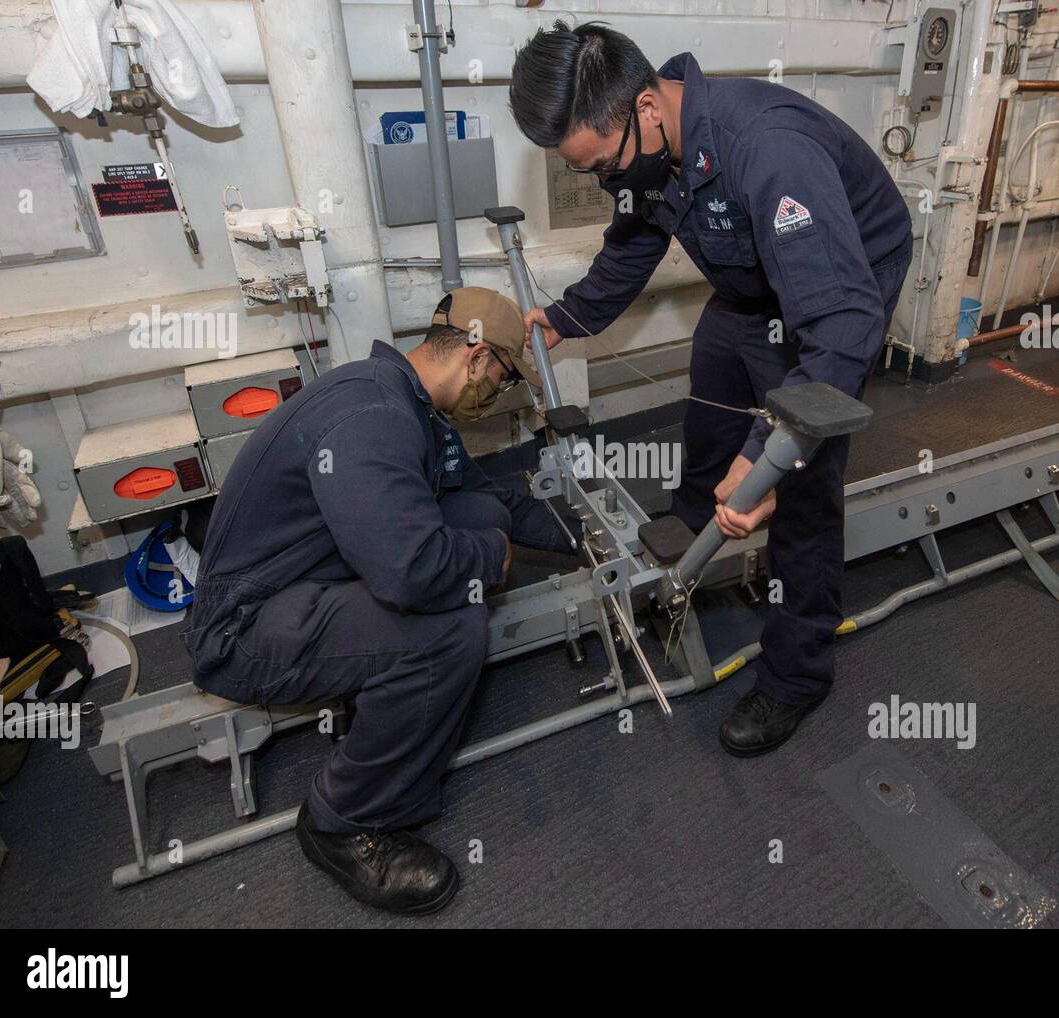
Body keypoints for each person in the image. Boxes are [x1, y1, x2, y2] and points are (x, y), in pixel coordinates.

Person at [509, 22, 914, 757]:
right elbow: (634, 236)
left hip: (836, 288)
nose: (604, 183)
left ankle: (798, 674)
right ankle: (692, 532)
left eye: (602, 166)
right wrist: (570, 316)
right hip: (750, 288)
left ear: (647, 109)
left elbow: (838, 320)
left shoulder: (765, 147)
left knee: (798, 480)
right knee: (713, 392)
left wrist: (769, 454)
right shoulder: (650, 147)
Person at [182, 288, 576, 914]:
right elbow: (411, 572)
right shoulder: (375, 419)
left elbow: (488, 499)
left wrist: (586, 532)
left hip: (305, 580)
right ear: (475, 358)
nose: (498, 396)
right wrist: (489, 557)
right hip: (244, 628)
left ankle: (370, 695)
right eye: (501, 380)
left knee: (474, 509)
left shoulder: (407, 402)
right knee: (450, 631)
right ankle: (343, 821)